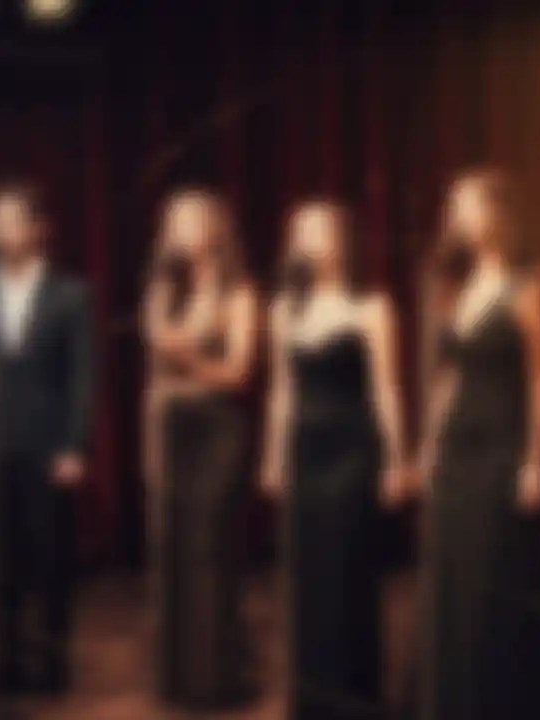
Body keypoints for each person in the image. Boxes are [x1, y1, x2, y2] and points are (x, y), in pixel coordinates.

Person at [413, 169, 540, 719]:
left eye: (469, 206)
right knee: (450, 578)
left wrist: (535, 463)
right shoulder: (456, 289)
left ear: (497, 214)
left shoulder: (528, 285)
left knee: (491, 581)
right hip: (456, 449)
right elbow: (448, 378)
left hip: (500, 447)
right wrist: (429, 447)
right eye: (454, 208)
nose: (459, 218)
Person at [0, 179, 93, 698]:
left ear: (37, 228)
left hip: (47, 447)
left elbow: (80, 376)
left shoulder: (70, 294)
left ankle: (52, 666)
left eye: (10, 219)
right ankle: (4, 667)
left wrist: (75, 444)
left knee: (49, 558)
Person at [260, 200, 407, 719]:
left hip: (351, 454)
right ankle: (314, 697)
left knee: (350, 572)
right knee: (308, 577)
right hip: (304, 453)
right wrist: (272, 458)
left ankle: (357, 697)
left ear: (343, 240)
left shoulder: (372, 309)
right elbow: (281, 392)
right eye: (303, 232)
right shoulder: (282, 311)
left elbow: (386, 392)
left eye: (321, 230)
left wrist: (395, 460)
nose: (313, 241)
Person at [141, 188, 258, 709]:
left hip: (216, 428)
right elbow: (155, 366)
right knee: (172, 551)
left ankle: (217, 681)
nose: (179, 230)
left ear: (214, 228)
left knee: (209, 551)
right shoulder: (163, 287)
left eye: (189, 220)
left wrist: (189, 358)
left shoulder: (239, 291)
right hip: (170, 427)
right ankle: (179, 681)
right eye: (173, 222)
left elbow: (238, 371)